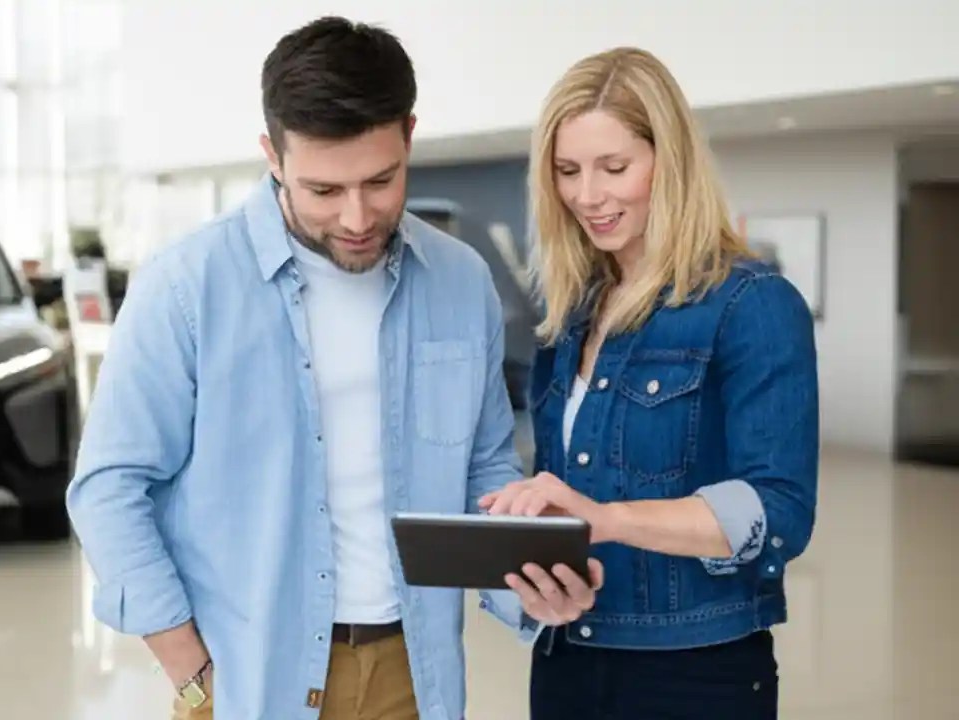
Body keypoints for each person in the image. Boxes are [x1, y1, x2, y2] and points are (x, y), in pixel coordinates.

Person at [66, 16, 587, 720]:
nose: (357, 217)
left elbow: (484, 465)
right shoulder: (186, 287)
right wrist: (190, 669)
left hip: (414, 671)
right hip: (247, 678)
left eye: (380, 181)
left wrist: (527, 578)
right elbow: (108, 487)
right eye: (324, 191)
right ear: (272, 156)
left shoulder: (461, 281)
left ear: (409, 135)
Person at [480, 46, 819, 719]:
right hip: (568, 656)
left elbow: (778, 509)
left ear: (671, 162)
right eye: (568, 171)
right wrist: (540, 569)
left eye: (614, 168)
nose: (587, 195)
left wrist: (606, 520)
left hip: (695, 670)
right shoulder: (569, 316)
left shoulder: (751, 303)